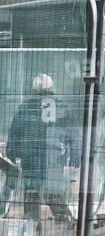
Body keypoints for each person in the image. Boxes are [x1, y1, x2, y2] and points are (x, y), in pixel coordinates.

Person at [4, 75, 74, 224]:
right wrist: (74, 155)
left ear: (34, 89)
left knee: (31, 193)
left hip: (30, 158)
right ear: (51, 88)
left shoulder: (25, 108)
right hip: (53, 159)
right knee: (54, 192)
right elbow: (72, 133)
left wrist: (12, 154)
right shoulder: (61, 107)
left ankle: (31, 226)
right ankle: (66, 222)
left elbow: (14, 133)